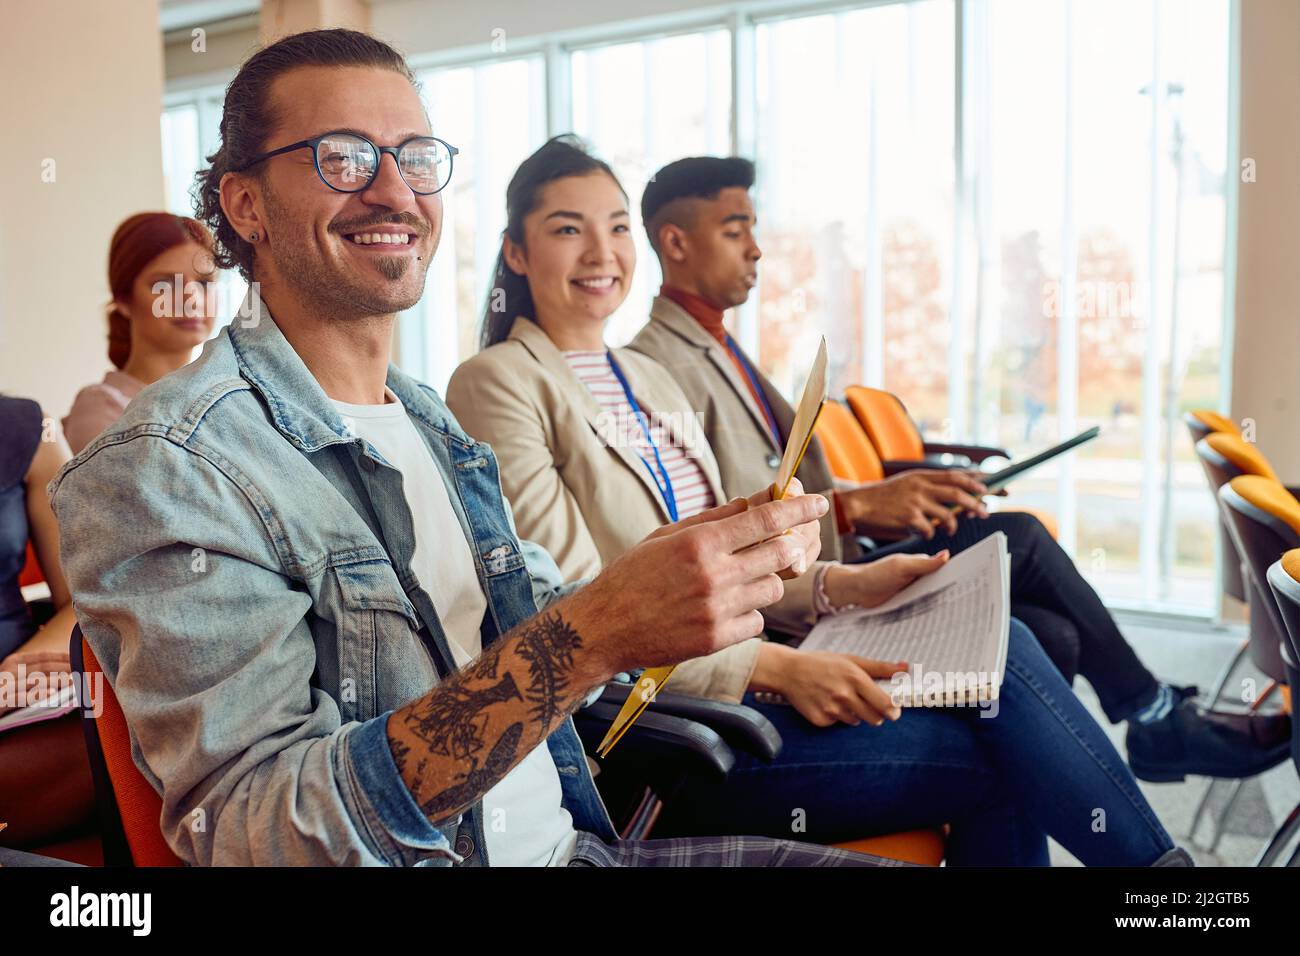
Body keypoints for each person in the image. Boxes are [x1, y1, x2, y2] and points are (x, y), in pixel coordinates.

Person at [49, 28, 899, 869]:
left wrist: (688, 569)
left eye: (415, 157)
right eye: (341, 158)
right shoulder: (166, 467)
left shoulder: (425, 419)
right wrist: (596, 632)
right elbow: (262, 831)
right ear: (244, 205)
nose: (394, 191)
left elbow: (549, 615)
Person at [445, 135, 1190, 865]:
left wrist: (841, 585)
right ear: (516, 251)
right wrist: (775, 667)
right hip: (666, 723)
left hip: (754, 658)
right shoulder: (499, 381)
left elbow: (730, 559)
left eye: (613, 227)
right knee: (1011, 751)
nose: (601, 253)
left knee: (1011, 655)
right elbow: (582, 610)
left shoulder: (647, 382)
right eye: (566, 230)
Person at [627, 155, 1290, 785]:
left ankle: (1106, 744)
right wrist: (858, 508)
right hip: (808, 593)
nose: (757, 249)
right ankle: (1152, 719)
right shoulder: (656, 364)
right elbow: (719, 514)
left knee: (1051, 633)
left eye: (754, 229)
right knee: (1021, 537)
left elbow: (778, 474)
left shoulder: (720, 343)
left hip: (839, 557)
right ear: (676, 242)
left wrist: (878, 495)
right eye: (735, 229)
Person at [0, 395, 94, 849]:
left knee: (162, 726)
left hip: (16, 693)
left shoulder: (30, 428)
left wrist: (12, 675)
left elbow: (86, 597)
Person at [62, 213, 218, 454]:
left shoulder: (225, 400)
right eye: (165, 284)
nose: (192, 299)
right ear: (124, 299)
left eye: (204, 283)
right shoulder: (102, 408)